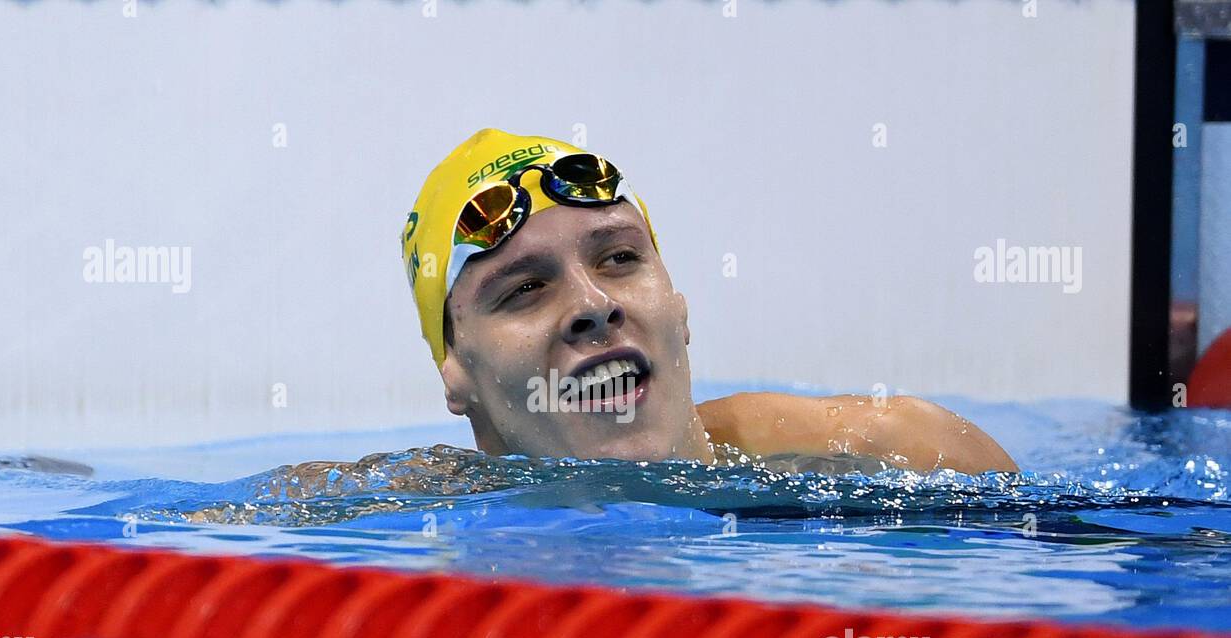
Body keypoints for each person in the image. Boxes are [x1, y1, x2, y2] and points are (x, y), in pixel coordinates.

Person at [396, 128, 1018, 474]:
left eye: (619, 258)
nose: (593, 304)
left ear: (678, 306)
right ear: (456, 376)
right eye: (525, 289)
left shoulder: (909, 457)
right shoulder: (376, 516)